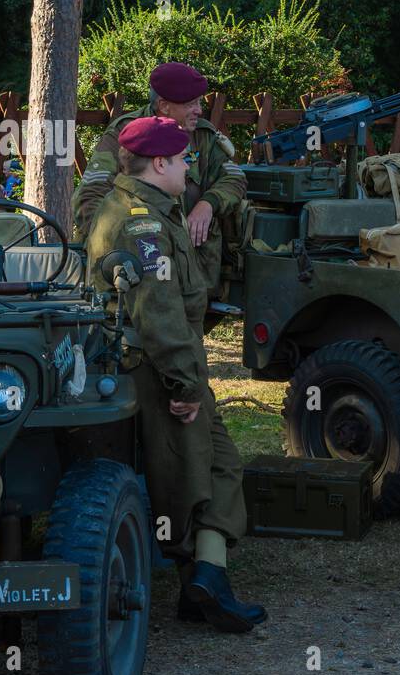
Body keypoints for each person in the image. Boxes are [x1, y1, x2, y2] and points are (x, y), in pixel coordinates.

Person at [85, 115, 265, 633]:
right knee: (188, 478)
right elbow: (159, 316)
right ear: (159, 163)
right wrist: (185, 386)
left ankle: (207, 579)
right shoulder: (141, 224)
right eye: (183, 158)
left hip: (171, 368)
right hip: (158, 374)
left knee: (220, 465)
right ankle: (203, 584)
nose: (190, 167)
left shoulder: (150, 210)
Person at [73, 62, 246, 297]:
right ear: (163, 105)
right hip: (137, 267)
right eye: (190, 103)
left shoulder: (202, 136)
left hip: (191, 263)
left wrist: (209, 204)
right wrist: (115, 249)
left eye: (199, 102)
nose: (199, 110)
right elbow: (90, 195)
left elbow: (234, 178)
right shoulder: (128, 134)